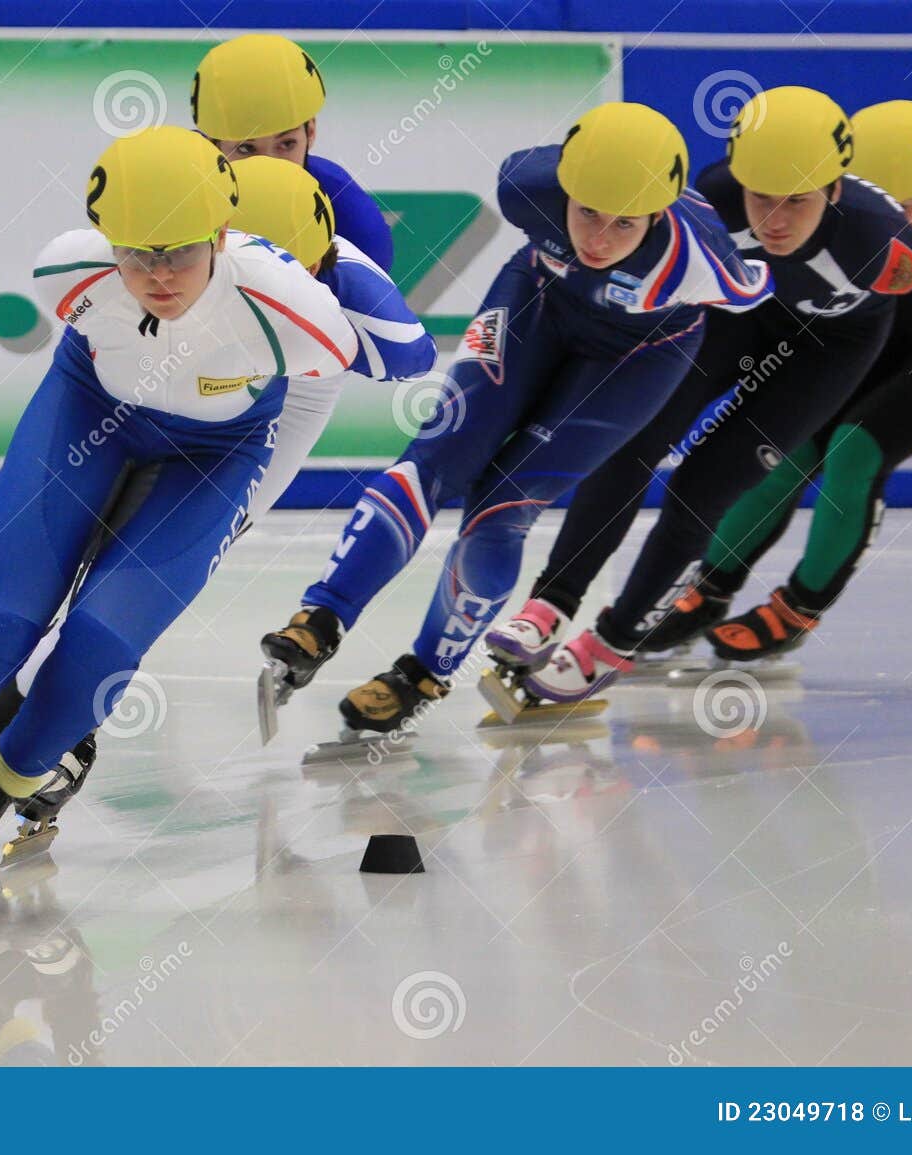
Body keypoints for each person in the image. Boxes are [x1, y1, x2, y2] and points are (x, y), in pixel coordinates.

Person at [0, 33, 397, 761]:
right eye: (238, 149)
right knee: (50, 545)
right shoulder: (170, 182)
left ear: (313, 134)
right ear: (205, 140)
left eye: (284, 144)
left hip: (267, 404)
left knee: (144, 566)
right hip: (136, 378)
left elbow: (359, 354)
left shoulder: (347, 220)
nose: (262, 164)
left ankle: (60, 731)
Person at [0, 126, 359, 893]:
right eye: (136, 252)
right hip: (90, 407)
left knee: (103, 632)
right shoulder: (69, 269)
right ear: (106, 241)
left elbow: (401, 355)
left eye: (181, 251)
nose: (158, 274)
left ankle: (8, 775)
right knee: (1, 616)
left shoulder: (300, 312)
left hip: (216, 455)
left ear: (223, 236)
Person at [257, 101, 772, 736]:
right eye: (586, 213)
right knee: (437, 458)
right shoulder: (527, 188)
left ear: (660, 214)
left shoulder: (706, 262)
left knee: (503, 507)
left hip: (639, 356)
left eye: (624, 224)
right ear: (566, 190)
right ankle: (321, 619)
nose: (600, 239)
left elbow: (763, 289)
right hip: (537, 305)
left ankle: (422, 672)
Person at [519, 88, 912, 703]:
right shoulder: (717, 194)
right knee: (634, 443)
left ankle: (612, 642)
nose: (774, 221)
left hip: (824, 351)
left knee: (704, 489)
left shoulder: (880, 245)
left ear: (836, 190)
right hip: (739, 320)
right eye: (762, 196)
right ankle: (554, 599)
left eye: (798, 202)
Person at [633, 100, 912, 660]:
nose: (882, 220)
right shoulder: (872, 215)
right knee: (792, 440)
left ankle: (801, 605)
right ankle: (710, 586)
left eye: (900, 207)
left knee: (856, 449)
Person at [192, 33, 395, 271]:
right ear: (211, 145)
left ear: (310, 132)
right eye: (246, 148)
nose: (269, 166)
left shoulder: (356, 226)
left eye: (286, 144)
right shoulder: (176, 184)